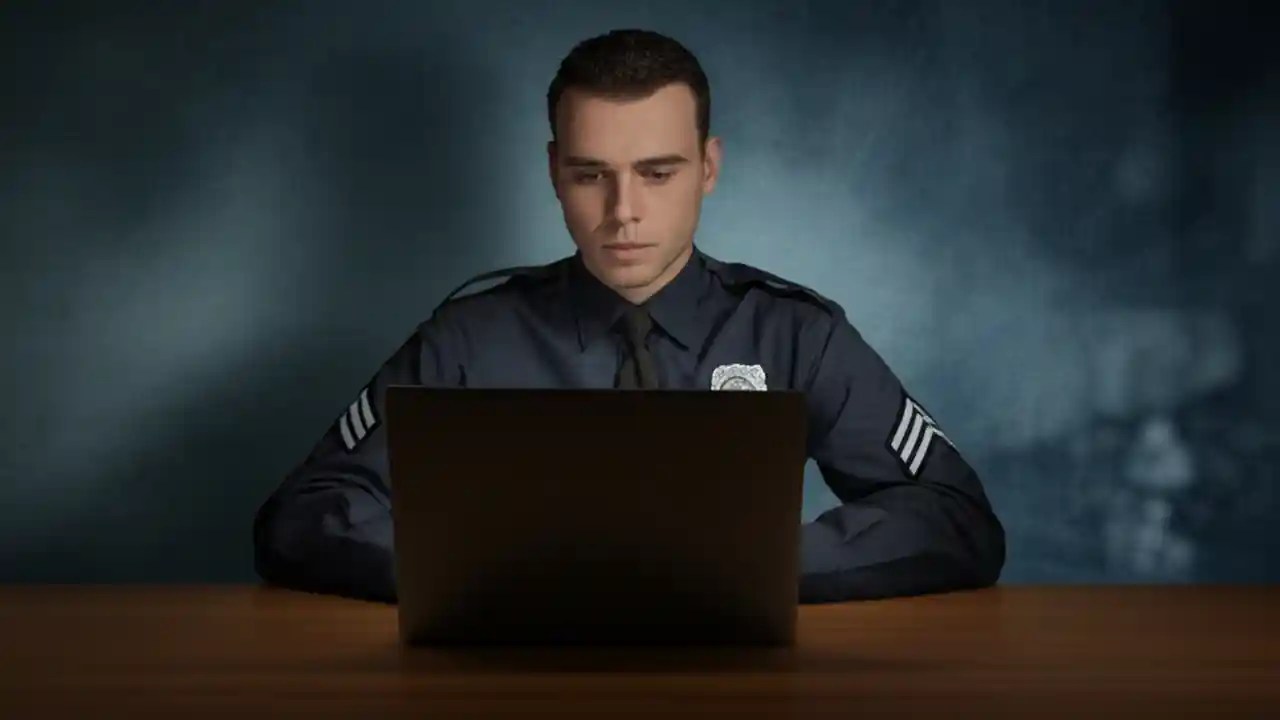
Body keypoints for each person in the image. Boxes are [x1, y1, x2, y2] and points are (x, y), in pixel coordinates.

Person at [252, 28, 1005, 604]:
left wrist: (748, 567)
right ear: (554, 172)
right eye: (590, 176)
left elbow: (954, 517)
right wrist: (498, 572)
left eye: (657, 172)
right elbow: (304, 517)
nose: (624, 213)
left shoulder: (794, 335)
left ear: (708, 168)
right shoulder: (468, 341)